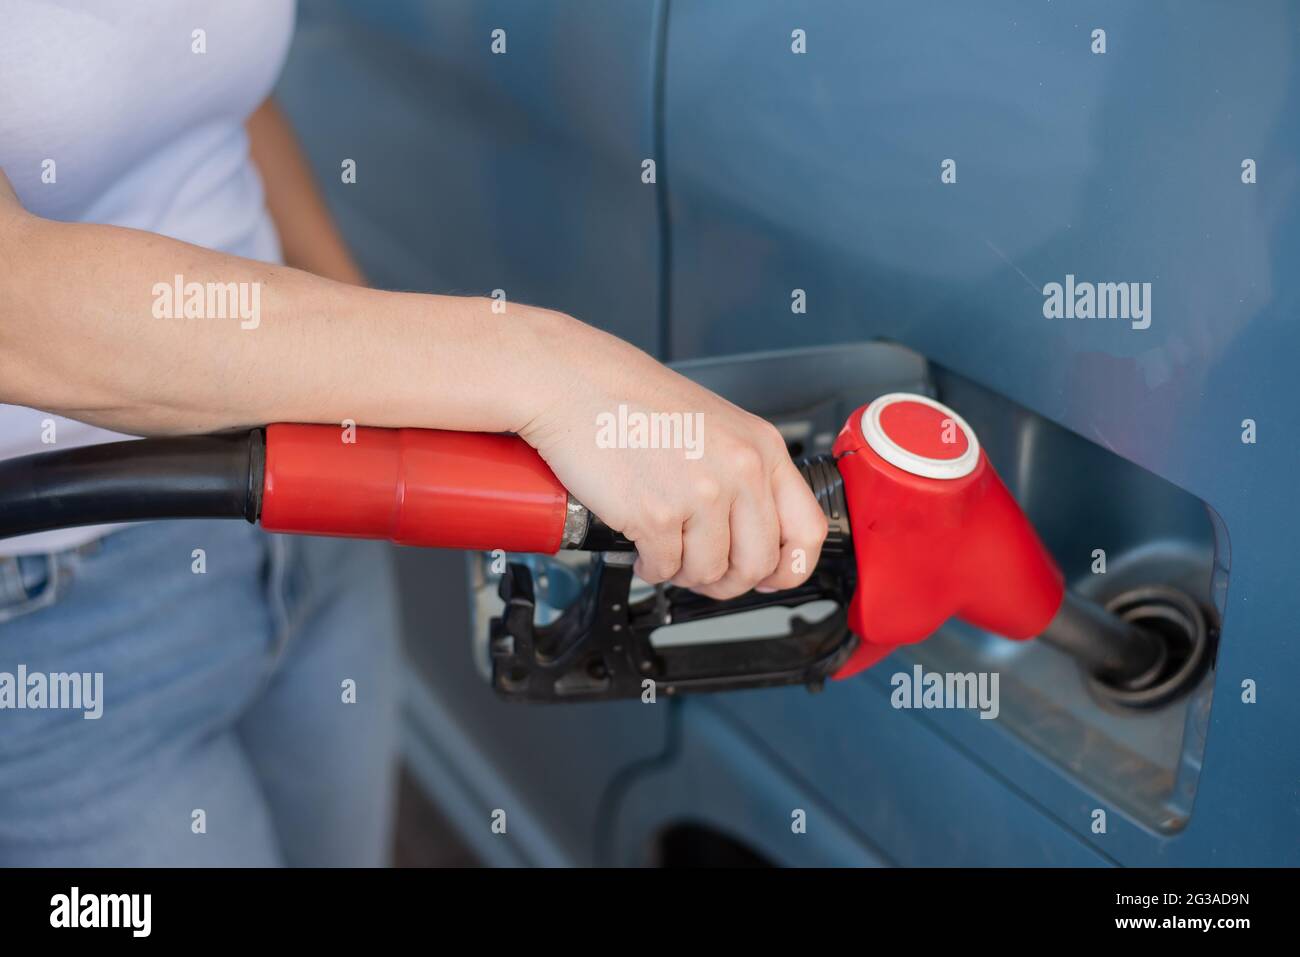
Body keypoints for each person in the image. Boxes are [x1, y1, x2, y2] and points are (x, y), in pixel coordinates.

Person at [0, 1, 828, 866]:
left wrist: (382, 392)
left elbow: (215, 101)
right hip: (59, 611)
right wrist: (541, 370)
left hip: (304, 498)